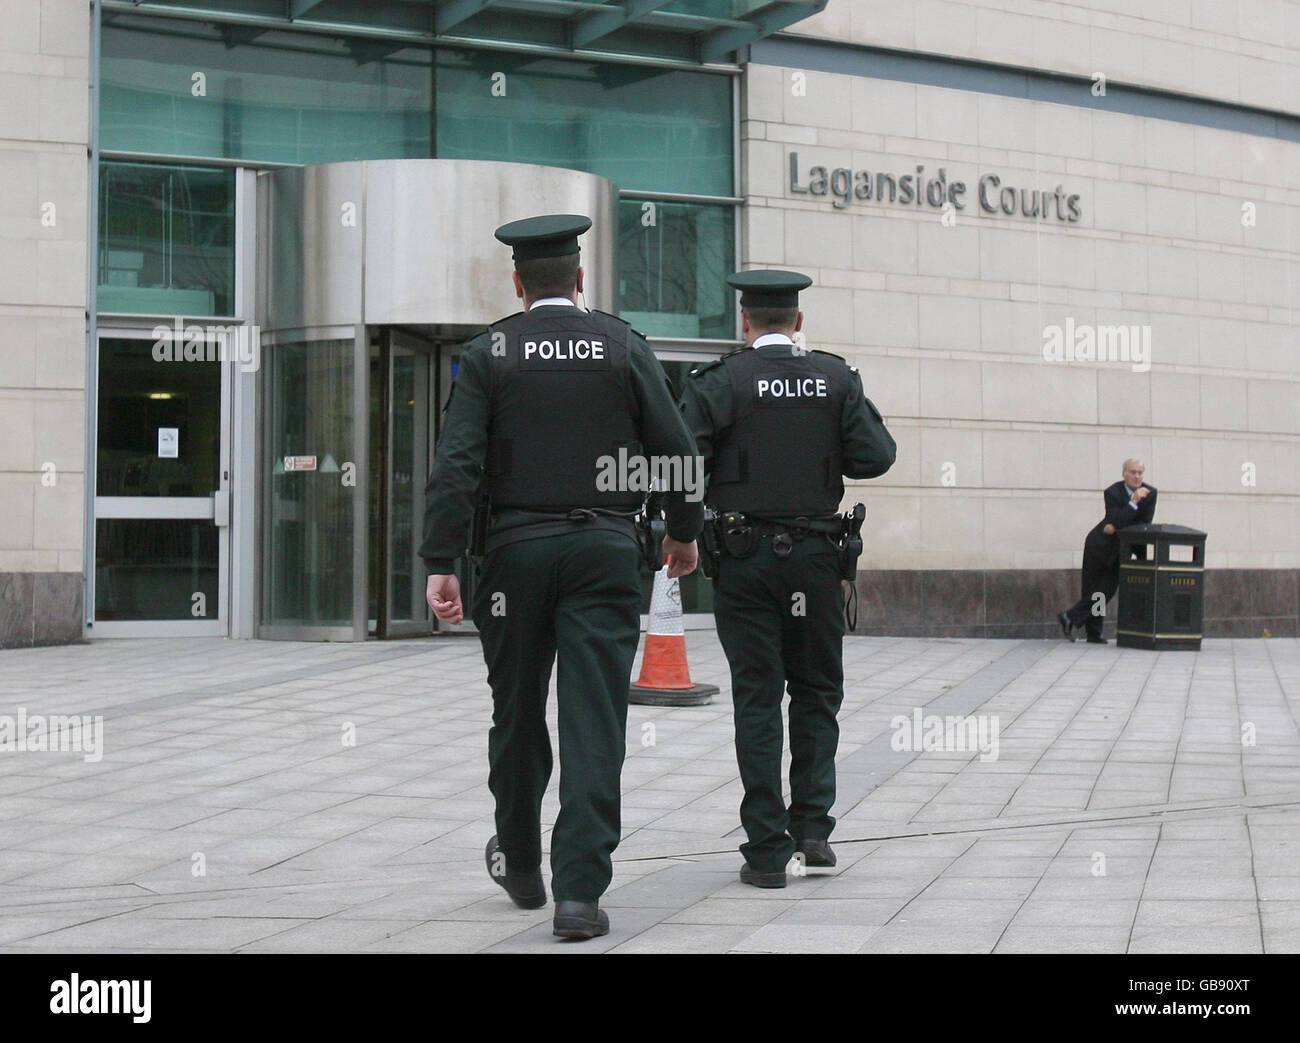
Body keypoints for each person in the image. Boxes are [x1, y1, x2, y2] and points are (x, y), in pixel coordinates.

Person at [419, 214, 702, 940]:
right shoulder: (622, 345)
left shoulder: (489, 354)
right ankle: (579, 894)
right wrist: (683, 532)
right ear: (579, 279)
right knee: (593, 720)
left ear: (517, 283)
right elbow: (674, 446)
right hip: (605, 552)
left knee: (515, 713)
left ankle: (519, 859)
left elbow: (455, 465)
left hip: (514, 555)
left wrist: (441, 561)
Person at [678, 270, 896, 888]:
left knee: (757, 697)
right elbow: (876, 457)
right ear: (798, 322)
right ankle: (814, 831)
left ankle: (767, 852)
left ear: (744, 322)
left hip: (743, 560)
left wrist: (684, 531)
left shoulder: (718, 382)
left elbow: (681, 461)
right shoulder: (834, 377)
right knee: (817, 691)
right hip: (816, 561)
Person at [1058, 459, 1157, 644]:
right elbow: (1114, 518)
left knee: (1105, 592)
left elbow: (1143, 524)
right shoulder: (1113, 492)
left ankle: (1069, 617)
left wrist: (1118, 524)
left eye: (1140, 473)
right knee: (1092, 590)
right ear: (1124, 474)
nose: (1137, 476)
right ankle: (1093, 633)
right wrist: (1133, 503)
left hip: (1120, 548)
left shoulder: (1150, 493)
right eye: (1133, 472)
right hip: (1099, 545)